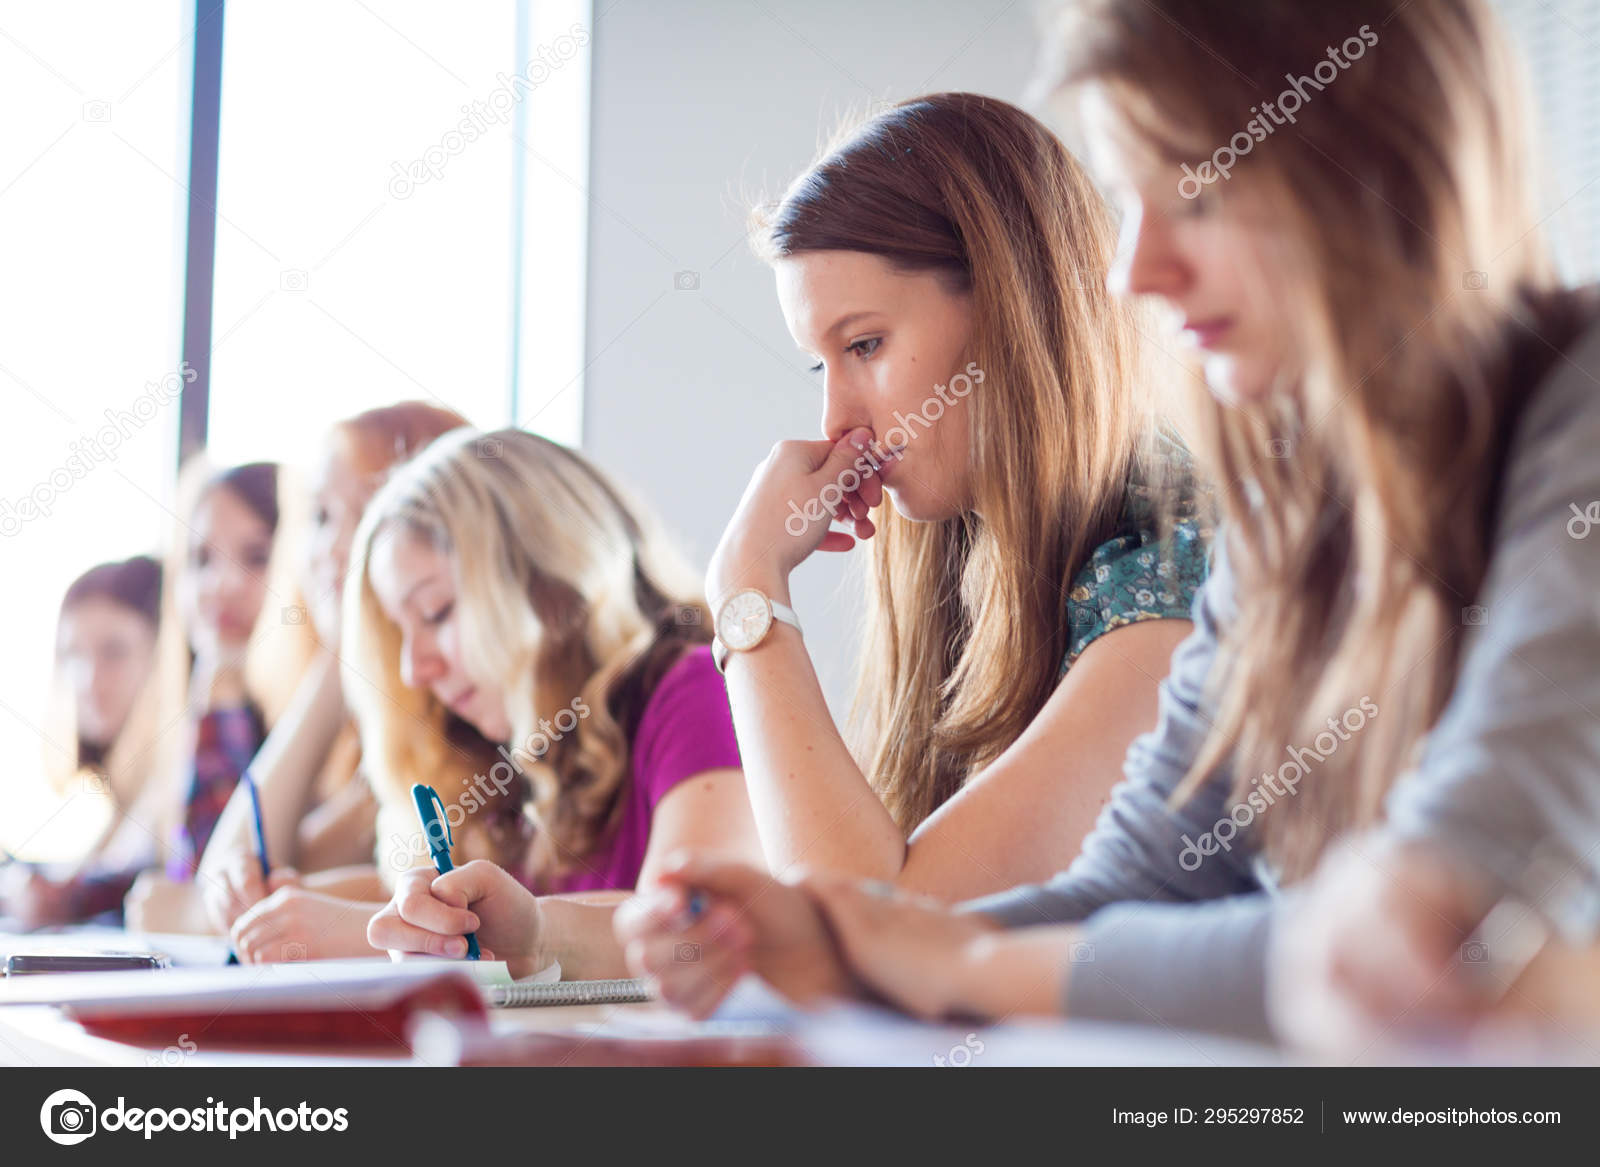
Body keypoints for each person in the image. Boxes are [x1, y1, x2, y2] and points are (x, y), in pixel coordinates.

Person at [613, 0, 1600, 1050]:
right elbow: (1141, 884)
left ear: (1380, 166)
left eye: (1200, 191)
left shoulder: (1572, 414)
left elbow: (1431, 938)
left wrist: (953, 957)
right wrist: (842, 942)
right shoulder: (1289, 512)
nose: (1134, 271)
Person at [700, 91, 1210, 903]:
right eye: (818, 363)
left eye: (864, 344)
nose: (835, 418)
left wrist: (747, 589)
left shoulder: (1170, 586)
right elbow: (798, 907)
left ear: (1011, 308)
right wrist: (544, 943)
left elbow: (876, 925)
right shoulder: (980, 555)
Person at [359, 429, 763, 979]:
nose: (412, 670)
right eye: (399, 630)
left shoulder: (696, 689)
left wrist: (537, 936)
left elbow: (695, 933)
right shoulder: (500, 758)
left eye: (436, 612)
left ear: (549, 582)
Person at [197, 402, 469, 963]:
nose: (333, 550)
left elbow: (256, 888)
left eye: (368, 515)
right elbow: (235, 877)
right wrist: (337, 664)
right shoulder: (363, 719)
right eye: (321, 518)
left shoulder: (456, 711)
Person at [122, 461, 286, 933]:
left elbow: (214, 875)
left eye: (256, 556)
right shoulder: (197, 704)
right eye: (200, 561)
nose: (221, 585)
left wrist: (222, 694)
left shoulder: (302, 717)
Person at [0, 556, 163, 928]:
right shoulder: (125, 803)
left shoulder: (173, 789)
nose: (89, 680)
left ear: (164, 654)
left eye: (114, 651)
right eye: (74, 655)